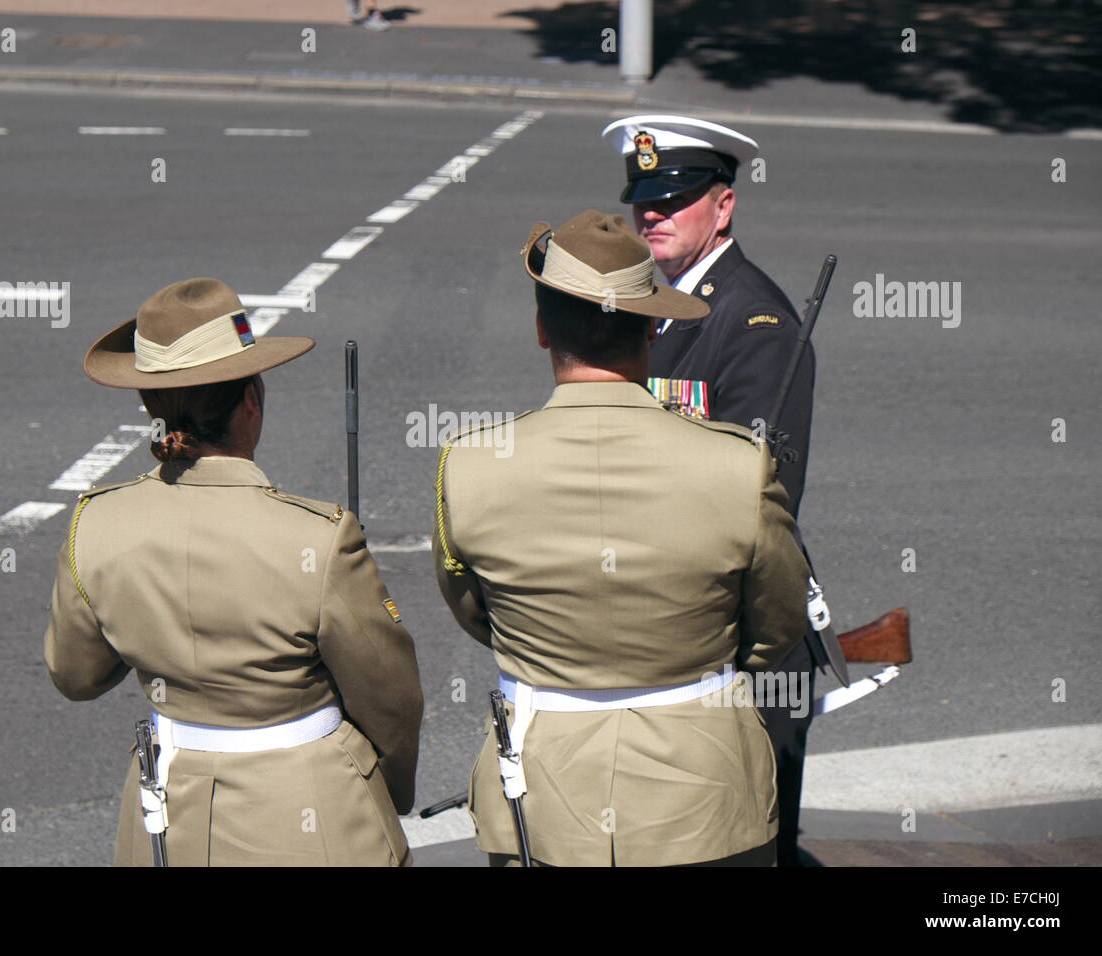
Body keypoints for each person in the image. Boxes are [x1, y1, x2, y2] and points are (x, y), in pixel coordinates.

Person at [433, 211, 812, 866]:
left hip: (541, 798)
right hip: (702, 795)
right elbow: (776, 621)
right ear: (650, 325)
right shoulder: (735, 464)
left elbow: (476, 613)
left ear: (542, 327)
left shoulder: (470, 464)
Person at [44, 277, 423, 866]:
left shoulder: (97, 523)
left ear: (150, 406)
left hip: (166, 818)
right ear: (251, 400)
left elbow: (76, 675)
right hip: (312, 820)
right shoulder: (318, 536)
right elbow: (389, 695)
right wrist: (384, 784)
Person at [603, 115, 827, 865]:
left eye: (675, 197)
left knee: (743, 846)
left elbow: (757, 498)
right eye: (644, 198)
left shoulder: (756, 322)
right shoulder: (651, 304)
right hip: (667, 624)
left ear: (724, 205)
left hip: (734, 635)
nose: (652, 214)